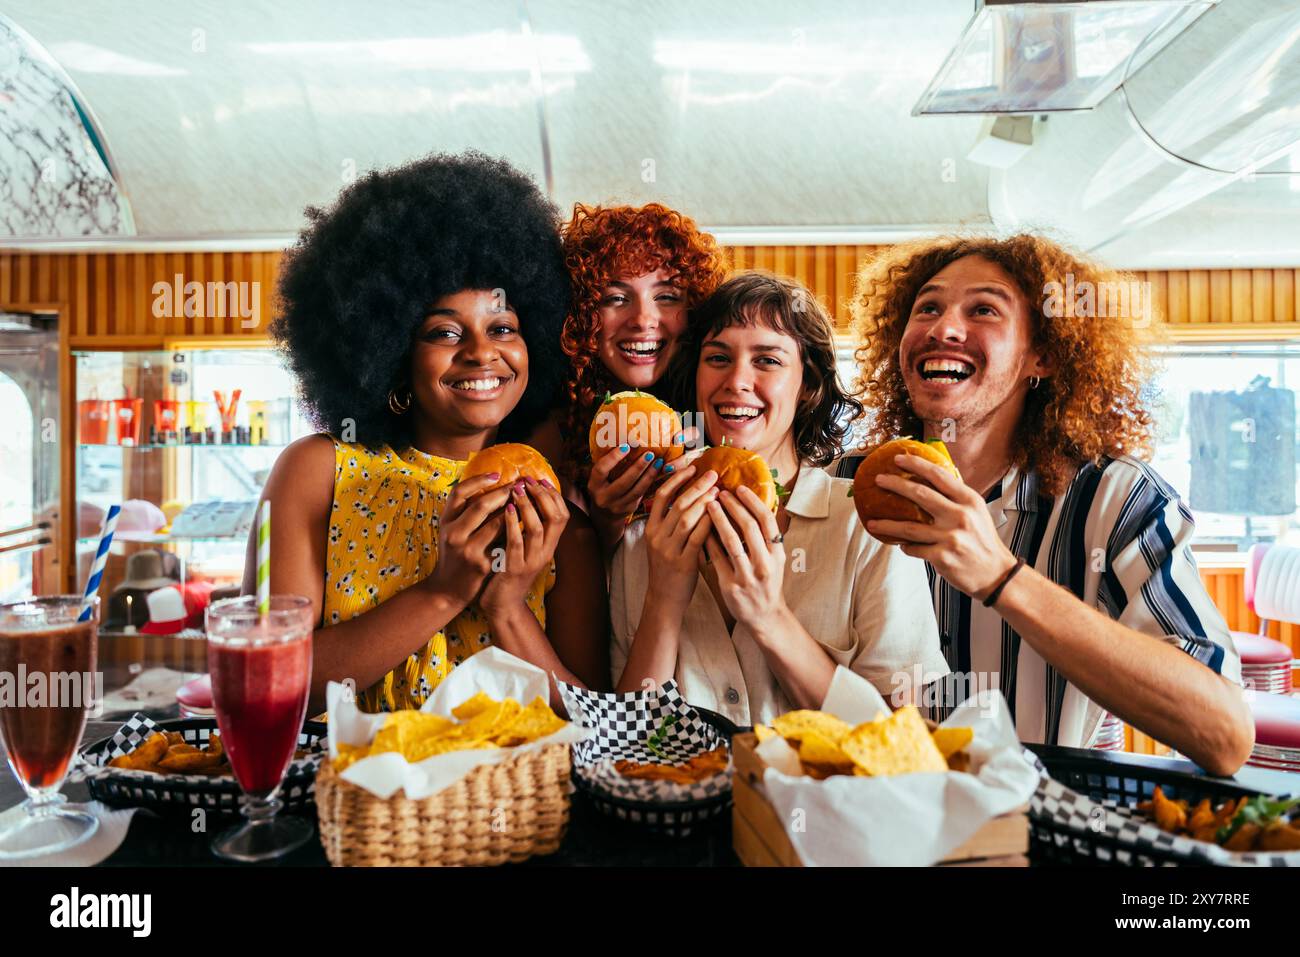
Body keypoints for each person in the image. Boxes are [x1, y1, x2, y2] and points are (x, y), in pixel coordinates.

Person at [845, 234, 1253, 775]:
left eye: (984, 309)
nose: (943, 328)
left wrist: (1000, 576)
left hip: (1034, 831)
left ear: (1042, 356)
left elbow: (1223, 733)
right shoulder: (839, 486)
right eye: (927, 308)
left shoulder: (1116, 500)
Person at [246, 152, 608, 714]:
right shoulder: (317, 474)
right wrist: (444, 591)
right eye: (444, 331)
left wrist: (507, 605)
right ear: (390, 354)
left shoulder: (561, 524)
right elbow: (265, 686)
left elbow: (596, 727)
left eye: (503, 327)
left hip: (513, 798)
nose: (482, 352)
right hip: (353, 795)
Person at [610, 272, 947, 726]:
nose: (737, 381)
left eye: (767, 360)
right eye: (718, 357)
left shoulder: (866, 529)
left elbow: (905, 735)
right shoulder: (641, 537)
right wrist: (664, 601)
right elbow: (626, 743)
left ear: (807, 385)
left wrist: (768, 616)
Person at [530, 203, 727, 554]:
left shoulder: (718, 416)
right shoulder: (549, 439)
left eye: (666, 297)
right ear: (583, 314)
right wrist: (604, 523)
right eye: (616, 298)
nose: (642, 319)